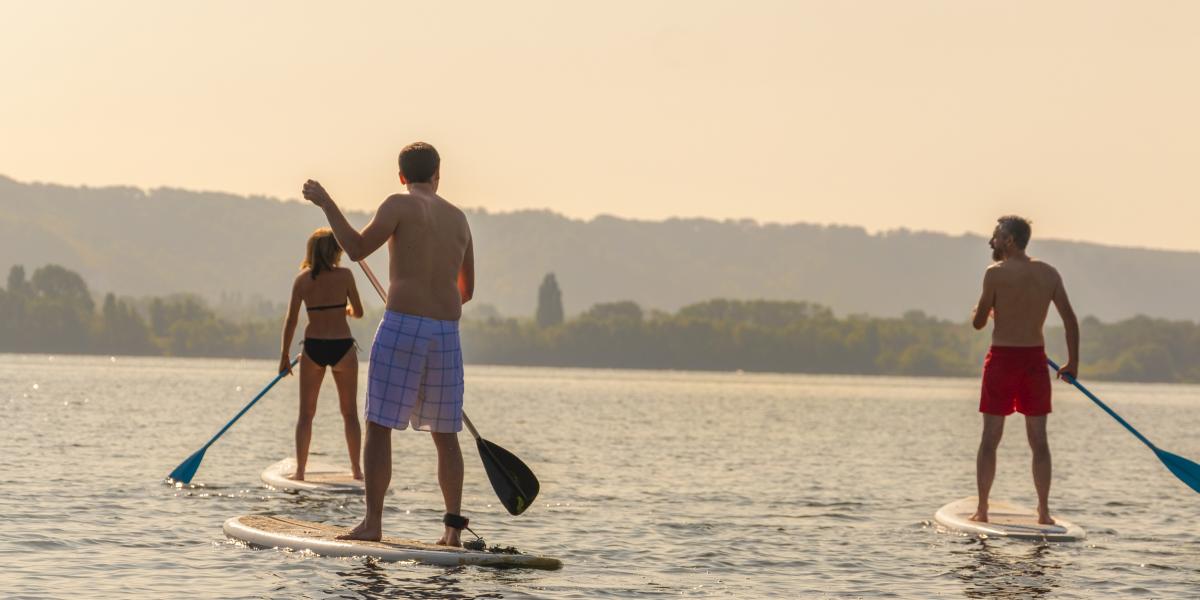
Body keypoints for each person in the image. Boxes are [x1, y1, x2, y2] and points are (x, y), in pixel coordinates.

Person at [302, 141, 475, 546]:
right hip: (446, 332)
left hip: (403, 325)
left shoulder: (398, 204)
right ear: (438, 174)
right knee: (446, 434)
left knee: (379, 425)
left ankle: (372, 523)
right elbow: (466, 291)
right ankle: (452, 531)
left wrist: (327, 203)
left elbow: (356, 248)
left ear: (401, 176)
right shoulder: (459, 218)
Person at [969, 215, 1079, 525]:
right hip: (1034, 361)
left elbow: (978, 324)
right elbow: (1070, 321)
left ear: (1010, 240)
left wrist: (984, 311)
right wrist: (1073, 363)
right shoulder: (1049, 273)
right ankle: (1043, 511)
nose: (992, 240)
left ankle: (982, 509)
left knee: (990, 438)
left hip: (1002, 361)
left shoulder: (994, 273)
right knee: (1039, 441)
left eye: (996, 235)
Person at [279, 228, 366, 481]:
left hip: (314, 347)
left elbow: (291, 320)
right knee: (349, 413)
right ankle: (357, 470)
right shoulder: (346, 276)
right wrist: (344, 311)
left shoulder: (302, 280)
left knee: (306, 415)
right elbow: (359, 312)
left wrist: (284, 355)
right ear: (336, 251)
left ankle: (300, 471)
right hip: (342, 347)